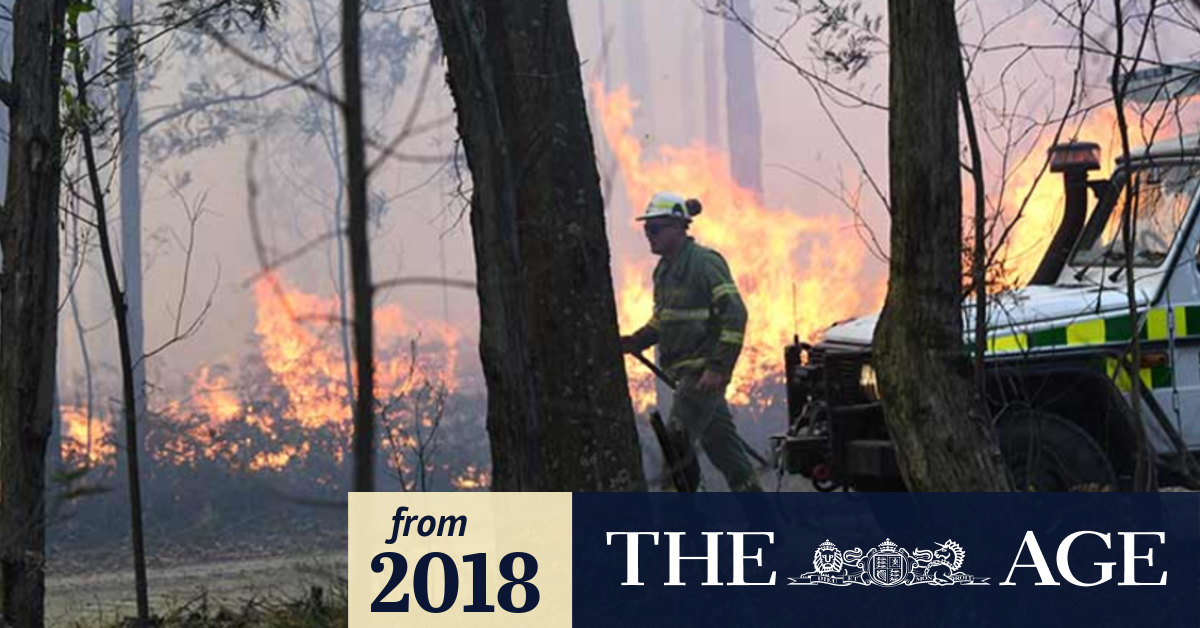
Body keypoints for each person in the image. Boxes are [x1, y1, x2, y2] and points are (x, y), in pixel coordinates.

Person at [621, 191, 763, 492]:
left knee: (676, 454)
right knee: (728, 455)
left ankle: (677, 528)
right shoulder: (664, 272)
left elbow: (735, 313)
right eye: (647, 229)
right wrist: (636, 340)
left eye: (655, 228)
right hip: (688, 376)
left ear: (677, 226)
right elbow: (664, 319)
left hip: (701, 377)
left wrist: (718, 367)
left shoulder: (704, 263)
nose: (649, 235)